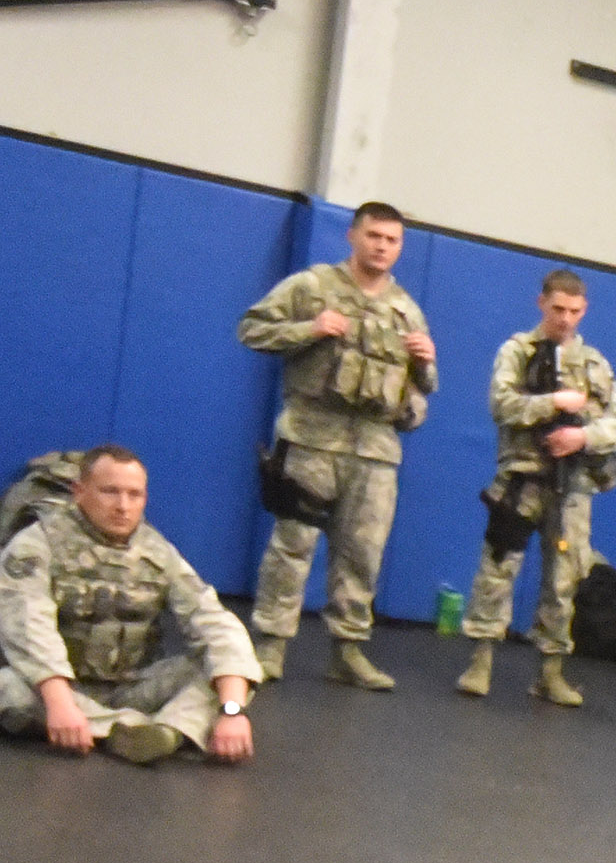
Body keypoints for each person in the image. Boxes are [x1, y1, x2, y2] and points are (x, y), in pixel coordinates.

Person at [239, 198, 435, 688]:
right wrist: (311, 328)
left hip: (375, 451)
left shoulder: (406, 310)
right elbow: (251, 329)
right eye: (374, 236)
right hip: (311, 440)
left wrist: (427, 363)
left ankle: (347, 651)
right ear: (352, 235)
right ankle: (270, 646)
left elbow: (419, 392)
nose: (382, 247)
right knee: (293, 545)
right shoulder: (313, 286)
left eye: (392, 240)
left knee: (363, 553)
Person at [0, 446, 259, 765]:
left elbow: (213, 622)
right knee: (8, 687)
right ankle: (164, 730)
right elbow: (28, 626)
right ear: (79, 492)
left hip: (135, 687)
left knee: (227, 671)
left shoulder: (157, 552)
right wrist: (60, 703)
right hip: (55, 688)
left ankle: (155, 733)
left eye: (134, 495)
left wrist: (232, 712)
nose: (123, 506)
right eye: (110, 492)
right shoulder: (37, 543)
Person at [454, 268, 616, 710]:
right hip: (523, 479)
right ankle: (480, 661)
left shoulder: (595, 365)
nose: (566, 319)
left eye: (574, 311)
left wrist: (581, 437)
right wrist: (552, 403)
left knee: (564, 578)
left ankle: (550, 672)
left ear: (584, 310)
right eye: (558, 309)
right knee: (498, 568)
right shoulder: (518, 350)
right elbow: (502, 403)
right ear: (541, 304)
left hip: (572, 485)